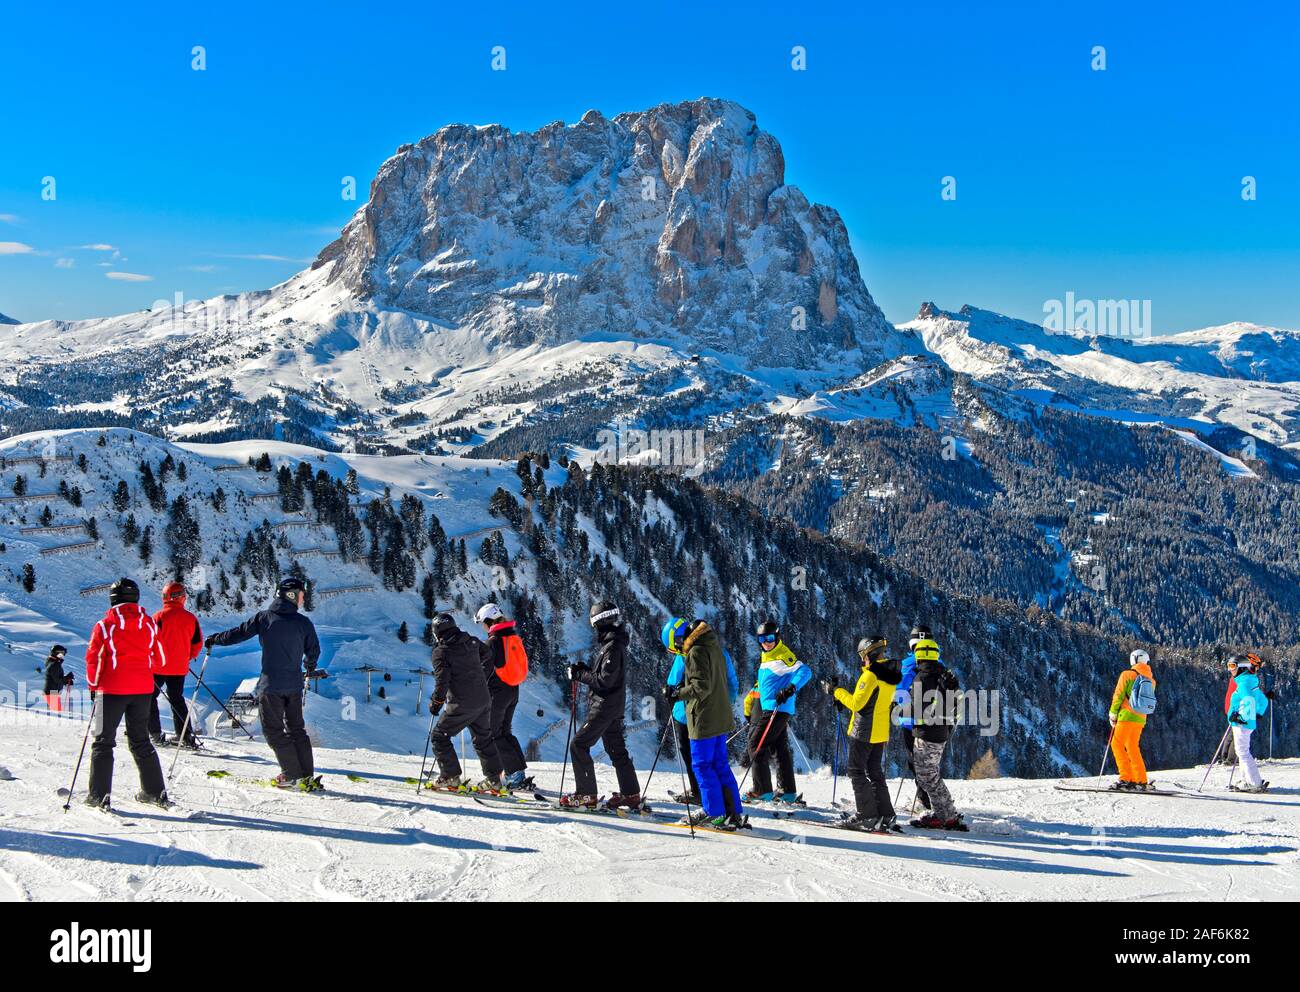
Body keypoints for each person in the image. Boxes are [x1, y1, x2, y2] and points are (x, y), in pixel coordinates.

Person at [207, 577, 321, 789]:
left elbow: (238, 634)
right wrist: (309, 665)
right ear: (292, 595)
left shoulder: (265, 619)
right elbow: (313, 650)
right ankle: (306, 775)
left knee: (273, 731)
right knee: (297, 729)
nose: (303, 599)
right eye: (302, 595)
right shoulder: (303, 623)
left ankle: (291, 775)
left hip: (271, 686)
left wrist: (215, 639)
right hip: (294, 686)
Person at [83, 578, 168, 808]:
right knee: (140, 740)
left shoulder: (104, 626)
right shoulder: (149, 624)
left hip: (110, 691)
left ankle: (99, 796)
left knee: (103, 741)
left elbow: (94, 660)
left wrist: (93, 686)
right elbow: (160, 658)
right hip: (142, 691)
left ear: (113, 599)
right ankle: (155, 792)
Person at [664, 618, 745, 829]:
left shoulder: (695, 652)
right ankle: (733, 811)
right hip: (720, 716)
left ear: (683, 639)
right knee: (720, 765)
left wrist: (676, 693)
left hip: (704, 718)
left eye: (678, 645)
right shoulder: (715, 648)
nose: (679, 649)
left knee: (701, 764)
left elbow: (701, 687)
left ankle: (714, 812)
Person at [562, 601, 640, 809]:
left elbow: (604, 681)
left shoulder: (613, 647)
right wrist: (585, 670)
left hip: (604, 706)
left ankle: (586, 795)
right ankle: (630, 793)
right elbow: (604, 676)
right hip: (613, 705)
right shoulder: (614, 644)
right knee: (616, 748)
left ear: (599, 623)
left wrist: (579, 674)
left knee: (579, 745)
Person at [822, 635, 902, 832]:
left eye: (862, 654)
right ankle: (885, 814)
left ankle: (867, 815)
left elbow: (857, 704)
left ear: (869, 653)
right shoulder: (890, 673)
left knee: (856, 771)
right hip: (880, 730)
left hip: (864, 730)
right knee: (874, 772)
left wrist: (836, 691)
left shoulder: (870, 675)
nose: (861, 659)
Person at [426, 613, 503, 792]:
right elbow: (488, 654)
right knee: (483, 738)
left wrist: (436, 703)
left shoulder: (441, 652)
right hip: (483, 699)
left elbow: (442, 682)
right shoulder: (472, 641)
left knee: (439, 736)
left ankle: (450, 776)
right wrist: (475, 671)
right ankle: (494, 779)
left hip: (461, 703)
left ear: (437, 632)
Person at [904, 634, 967, 830]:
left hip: (927, 733)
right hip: (941, 732)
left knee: (927, 776)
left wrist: (899, 710)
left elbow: (919, 708)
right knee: (930, 773)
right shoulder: (945, 675)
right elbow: (957, 703)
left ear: (919, 656)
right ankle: (943, 812)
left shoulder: (922, 677)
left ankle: (947, 815)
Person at [746, 618, 811, 803]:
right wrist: (750, 700)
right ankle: (787, 791)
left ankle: (762, 791)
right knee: (779, 748)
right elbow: (766, 682)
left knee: (756, 746)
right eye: (761, 639)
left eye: (769, 638)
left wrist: (791, 688)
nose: (766, 643)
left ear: (777, 636)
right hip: (772, 708)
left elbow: (805, 671)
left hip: (777, 709)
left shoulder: (783, 654)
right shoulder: (767, 656)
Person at [476, 602, 531, 789]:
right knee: (505, 732)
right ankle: (517, 772)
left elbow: (484, 671)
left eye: (482, 623)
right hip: (512, 690)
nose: (482, 627)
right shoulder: (512, 636)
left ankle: (514, 774)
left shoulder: (493, 642)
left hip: (497, 693)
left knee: (493, 734)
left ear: (488, 621)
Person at [148, 581, 204, 748]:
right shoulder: (190, 618)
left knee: (150, 698)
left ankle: (155, 734)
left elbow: (149, 640)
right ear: (181, 598)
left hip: (158, 666)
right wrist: (187, 657)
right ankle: (185, 736)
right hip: (179, 668)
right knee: (177, 699)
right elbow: (197, 643)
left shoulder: (158, 617)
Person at [1108, 648, 1157, 792]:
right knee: (1132, 747)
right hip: (1140, 718)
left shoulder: (1127, 674)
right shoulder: (1151, 680)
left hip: (1126, 716)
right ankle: (1140, 780)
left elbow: (1118, 695)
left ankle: (1125, 779)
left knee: (1116, 744)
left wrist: (1113, 713)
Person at [895, 624, 932, 811]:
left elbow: (899, 689)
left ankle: (924, 799)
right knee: (929, 761)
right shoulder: (938, 663)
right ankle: (932, 797)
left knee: (914, 760)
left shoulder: (908, 663)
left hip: (910, 721)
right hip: (935, 720)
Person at [1225, 654, 1269, 793]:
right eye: (1229, 666)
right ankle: (1247, 780)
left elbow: (1248, 701)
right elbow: (1263, 700)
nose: (1230, 670)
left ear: (1242, 668)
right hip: (1246, 723)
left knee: (1243, 752)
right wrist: (1258, 713)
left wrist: (1241, 717)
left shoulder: (1244, 684)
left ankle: (1253, 782)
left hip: (1242, 725)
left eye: (1232, 666)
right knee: (1242, 751)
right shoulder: (1250, 681)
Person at [42, 644, 74, 713]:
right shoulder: (54, 664)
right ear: (56, 653)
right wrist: (67, 678)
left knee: (56, 714)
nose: (63, 655)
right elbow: (57, 680)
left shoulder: (54, 663)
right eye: (62, 653)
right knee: (57, 714)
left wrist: (66, 680)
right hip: (52, 693)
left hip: (52, 692)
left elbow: (56, 678)